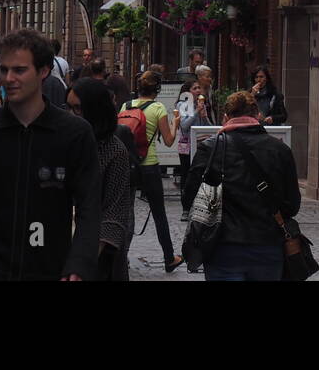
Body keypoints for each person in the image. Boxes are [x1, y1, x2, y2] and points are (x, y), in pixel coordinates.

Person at [0, 29, 100, 281]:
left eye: (19, 70)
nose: (9, 78)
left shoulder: (74, 133)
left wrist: (78, 264)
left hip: (50, 270)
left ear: (44, 71)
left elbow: (88, 207)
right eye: (4, 70)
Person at [185, 91, 301, 282]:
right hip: (267, 246)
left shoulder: (211, 148)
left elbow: (189, 197)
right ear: (257, 116)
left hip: (222, 247)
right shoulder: (280, 150)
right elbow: (293, 205)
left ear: (225, 117)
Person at [68, 78, 134, 281]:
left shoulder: (114, 151)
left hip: (97, 261)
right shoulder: (63, 142)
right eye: (68, 107)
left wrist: (81, 263)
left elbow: (114, 214)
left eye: (78, 108)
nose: (71, 114)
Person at [121, 71, 184, 272]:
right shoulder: (158, 108)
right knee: (159, 214)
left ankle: (121, 257)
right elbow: (168, 140)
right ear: (157, 89)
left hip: (128, 165)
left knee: (126, 212)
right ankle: (169, 258)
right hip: (149, 165)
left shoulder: (126, 106)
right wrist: (176, 123)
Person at [174, 79, 205, 220]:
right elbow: (185, 126)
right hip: (186, 146)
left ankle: (200, 208)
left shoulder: (201, 105)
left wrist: (204, 116)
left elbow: (207, 126)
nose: (198, 91)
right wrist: (197, 111)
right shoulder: (182, 105)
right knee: (186, 175)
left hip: (200, 144)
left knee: (200, 175)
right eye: (195, 88)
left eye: (199, 88)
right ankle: (185, 208)